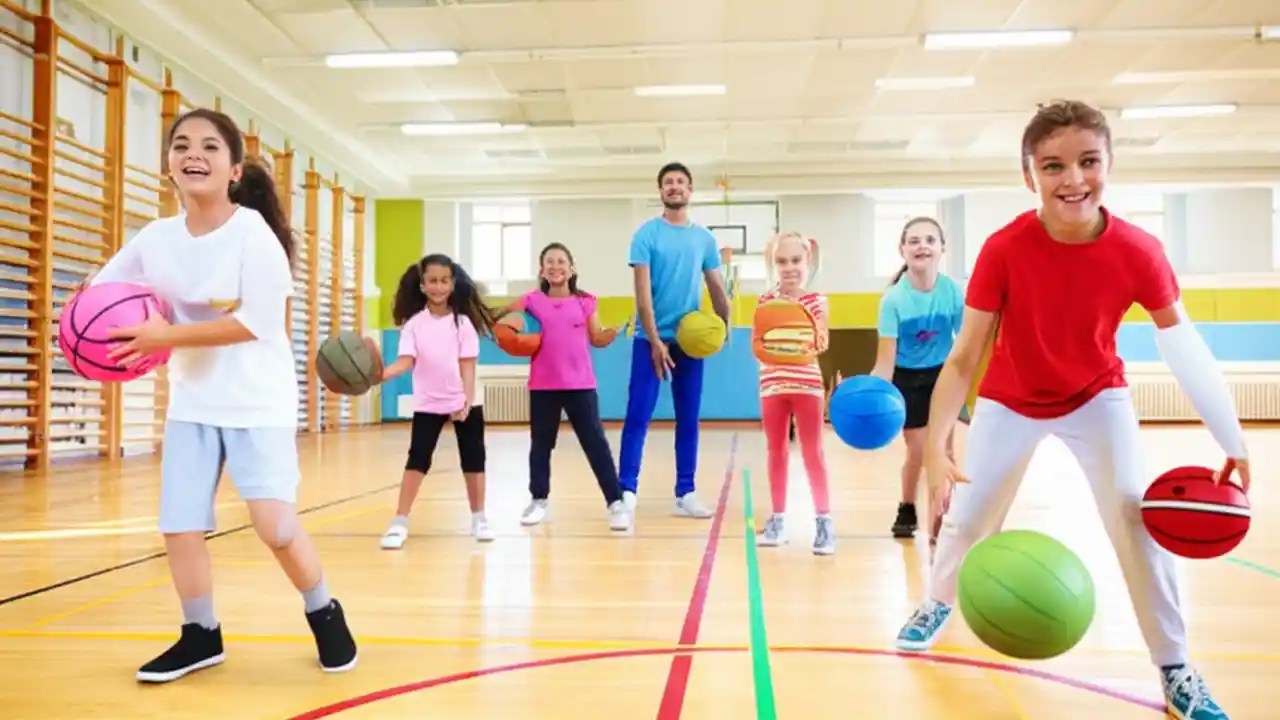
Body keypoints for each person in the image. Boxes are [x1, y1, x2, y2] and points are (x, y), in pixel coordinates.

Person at [893, 100, 1247, 720]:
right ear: (1029, 175)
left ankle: (1174, 668)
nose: (1073, 179)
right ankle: (937, 601)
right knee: (968, 518)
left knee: (1135, 522)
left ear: (1109, 164)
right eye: (1053, 166)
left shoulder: (1138, 249)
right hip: (1010, 397)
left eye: (1088, 162)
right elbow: (964, 355)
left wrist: (1233, 439)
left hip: (1096, 397)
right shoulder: (1004, 249)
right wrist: (940, 448)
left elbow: (1181, 339)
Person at [94, 108, 357, 682]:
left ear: (234, 168)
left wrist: (163, 334)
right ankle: (200, 634)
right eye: (181, 145)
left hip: (257, 401)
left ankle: (323, 609)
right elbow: (102, 290)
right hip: (192, 401)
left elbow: (256, 322)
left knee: (276, 528)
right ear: (168, 165)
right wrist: (86, 324)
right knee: (179, 523)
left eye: (211, 147)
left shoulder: (252, 235)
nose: (195, 154)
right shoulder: (155, 239)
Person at [617, 162, 731, 518]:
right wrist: (654, 341)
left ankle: (686, 492)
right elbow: (643, 297)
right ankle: (626, 491)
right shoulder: (646, 235)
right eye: (668, 182)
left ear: (690, 190)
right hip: (648, 339)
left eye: (681, 182)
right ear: (660, 191)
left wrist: (723, 328)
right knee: (638, 415)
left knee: (688, 418)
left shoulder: (704, 239)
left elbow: (716, 288)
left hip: (689, 341)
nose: (674, 187)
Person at [499, 242, 631, 531]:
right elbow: (500, 319)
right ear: (541, 270)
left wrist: (614, 333)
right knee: (541, 445)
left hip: (580, 385)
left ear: (571, 269)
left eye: (561, 261)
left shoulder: (586, 301)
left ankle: (616, 503)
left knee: (595, 443)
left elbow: (595, 337)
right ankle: (538, 500)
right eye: (549, 261)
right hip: (543, 386)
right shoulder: (530, 301)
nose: (555, 266)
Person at [377, 254, 495, 548]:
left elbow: (467, 365)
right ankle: (400, 521)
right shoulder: (414, 325)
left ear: (452, 284)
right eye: (433, 281)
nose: (439, 287)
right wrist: (380, 375)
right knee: (417, 459)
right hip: (428, 403)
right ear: (422, 285)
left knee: (474, 460)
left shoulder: (463, 323)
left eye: (444, 281)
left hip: (464, 402)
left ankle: (479, 517)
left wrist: (466, 401)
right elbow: (405, 362)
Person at [870, 217, 964, 544]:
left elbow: (965, 346)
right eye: (913, 240)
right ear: (903, 250)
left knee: (946, 452)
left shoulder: (952, 293)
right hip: (906, 379)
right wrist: (868, 395)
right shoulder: (893, 300)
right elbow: (885, 362)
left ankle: (941, 518)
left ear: (941, 249)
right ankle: (907, 506)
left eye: (929, 240)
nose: (921, 245)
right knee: (920, 451)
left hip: (943, 375)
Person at [752, 232, 834, 554]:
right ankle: (778, 519)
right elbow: (758, 343)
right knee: (776, 451)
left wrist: (798, 331)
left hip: (807, 385)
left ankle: (824, 522)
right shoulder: (763, 301)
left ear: (807, 261)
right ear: (774, 265)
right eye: (782, 261)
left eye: (796, 260)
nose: (789, 268)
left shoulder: (817, 301)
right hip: (772, 385)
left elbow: (821, 343)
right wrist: (771, 350)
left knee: (813, 452)